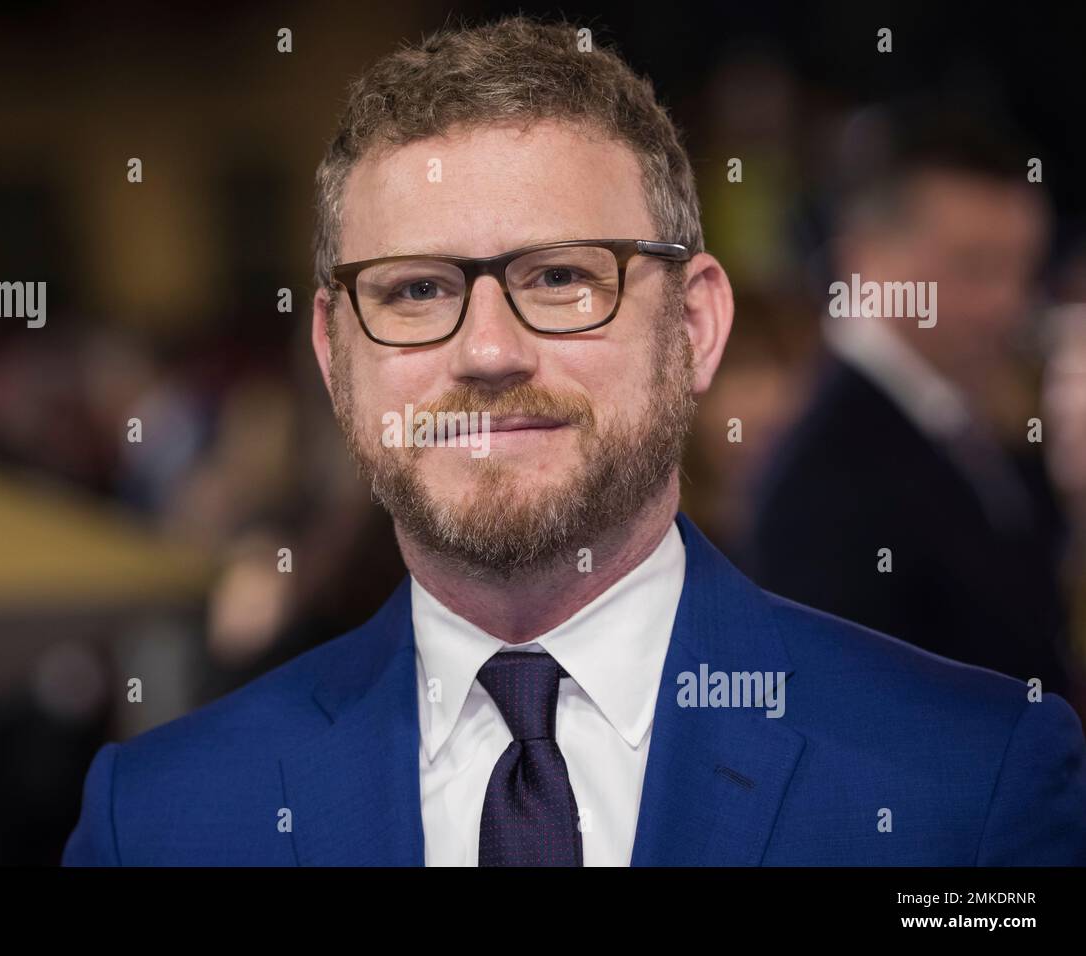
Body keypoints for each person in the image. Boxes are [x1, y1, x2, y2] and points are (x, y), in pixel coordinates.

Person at [64, 16, 1086, 866]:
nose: (489, 349)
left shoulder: (970, 782)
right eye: (416, 290)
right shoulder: (159, 819)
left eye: (560, 277)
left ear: (693, 326)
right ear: (335, 353)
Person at [742, 101, 1081, 706]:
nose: (1008, 303)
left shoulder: (961, 417)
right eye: (975, 267)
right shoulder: (823, 475)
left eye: (1023, 269)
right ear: (867, 259)